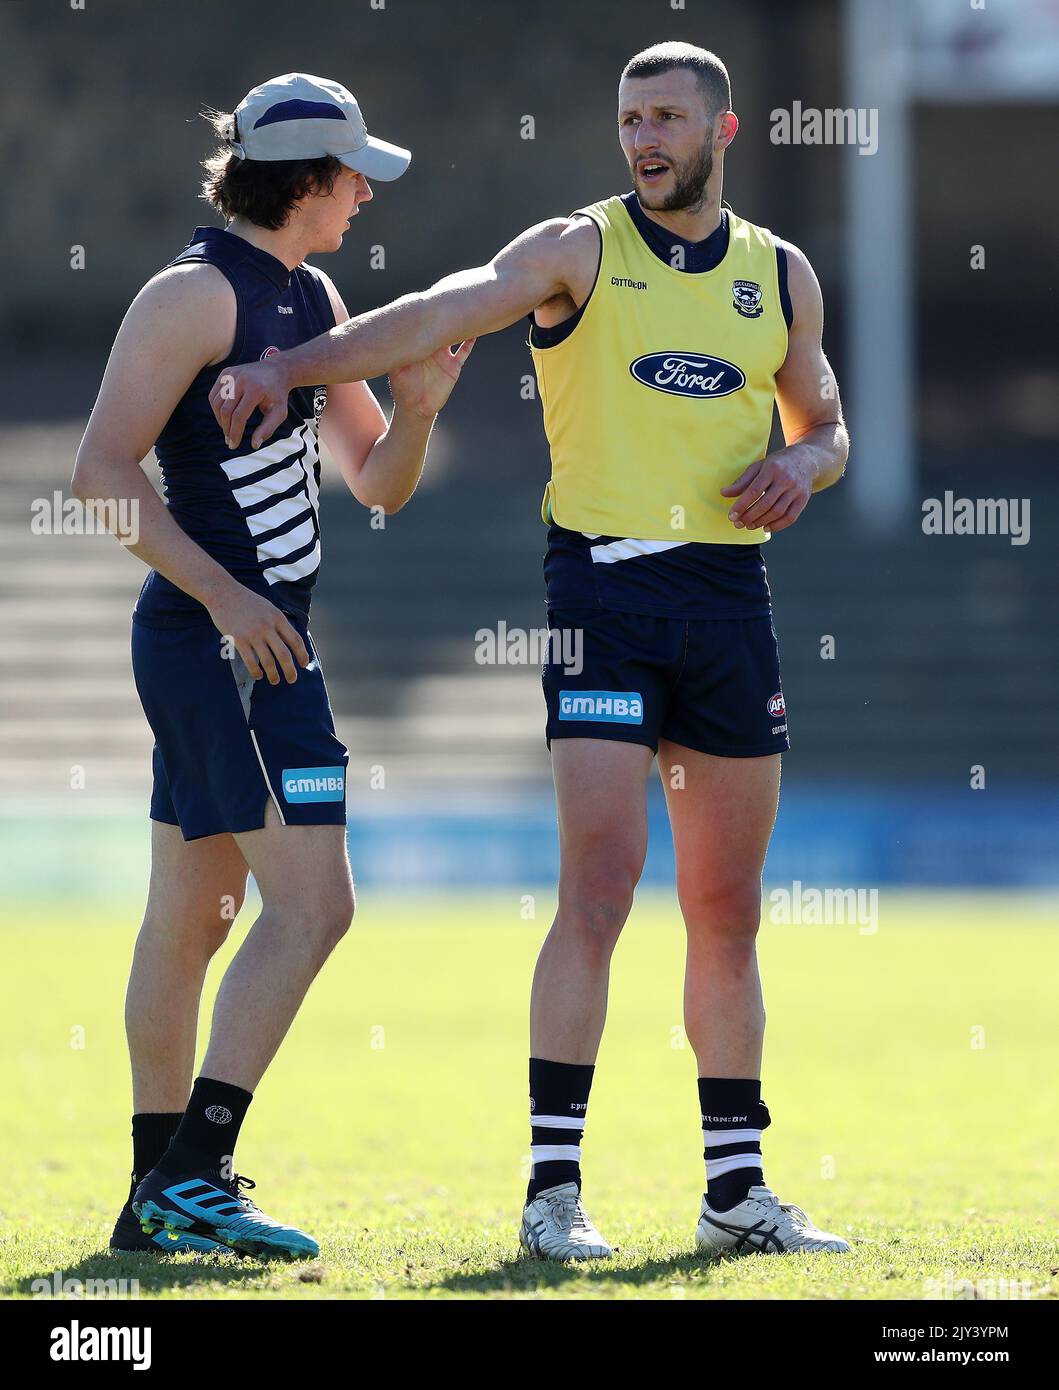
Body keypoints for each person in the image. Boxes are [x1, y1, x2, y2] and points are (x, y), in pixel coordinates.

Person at [210, 43, 851, 1262]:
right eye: (629, 118)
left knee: (726, 908)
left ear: (724, 130)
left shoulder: (780, 272)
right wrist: (288, 363)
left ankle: (736, 1191)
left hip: (729, 602)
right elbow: (439, 311)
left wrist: (802, 465)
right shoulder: (578, 248)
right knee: (598, 889)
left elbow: (825, 424)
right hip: (600, 595)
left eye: (666, 117)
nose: (644, 137)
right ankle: (553, 1191)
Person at [72, 72, 472, 1259]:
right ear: (304, 180)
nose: (363, 195)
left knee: (197, 918)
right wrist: (227, 595)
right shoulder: (190, 295)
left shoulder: (313, 293)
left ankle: (155, 1199)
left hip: (265, 640)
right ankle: (194, 1177)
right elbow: (100, 472)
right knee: (315, 905)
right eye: (353, 175)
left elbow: (379, 484)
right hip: (219, 642)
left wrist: (422, 408)